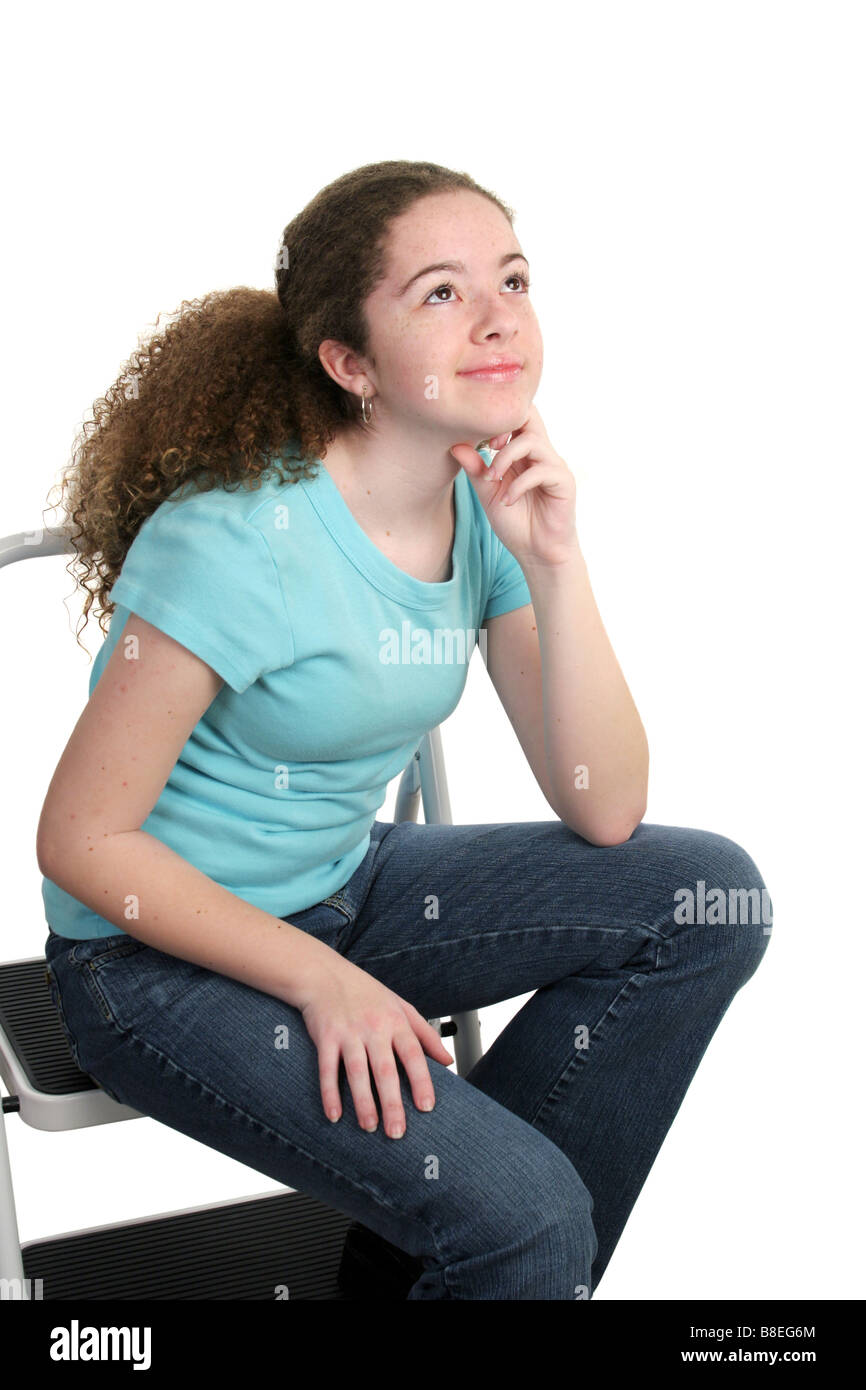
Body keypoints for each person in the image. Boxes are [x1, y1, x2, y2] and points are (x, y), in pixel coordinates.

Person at [37, 159, 771, 1300]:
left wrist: (553, 563)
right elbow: (81, 843)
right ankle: (498, 1245)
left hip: (344, 887)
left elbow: (603, 805)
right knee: (523, 1218)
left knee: (704, 897)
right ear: (348, 362)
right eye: (438, 292)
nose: (495, 319)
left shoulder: (480, 502)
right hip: (156, 958)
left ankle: (441, 1261)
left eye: (512, 280)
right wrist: (320, 984)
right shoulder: (237, 541)